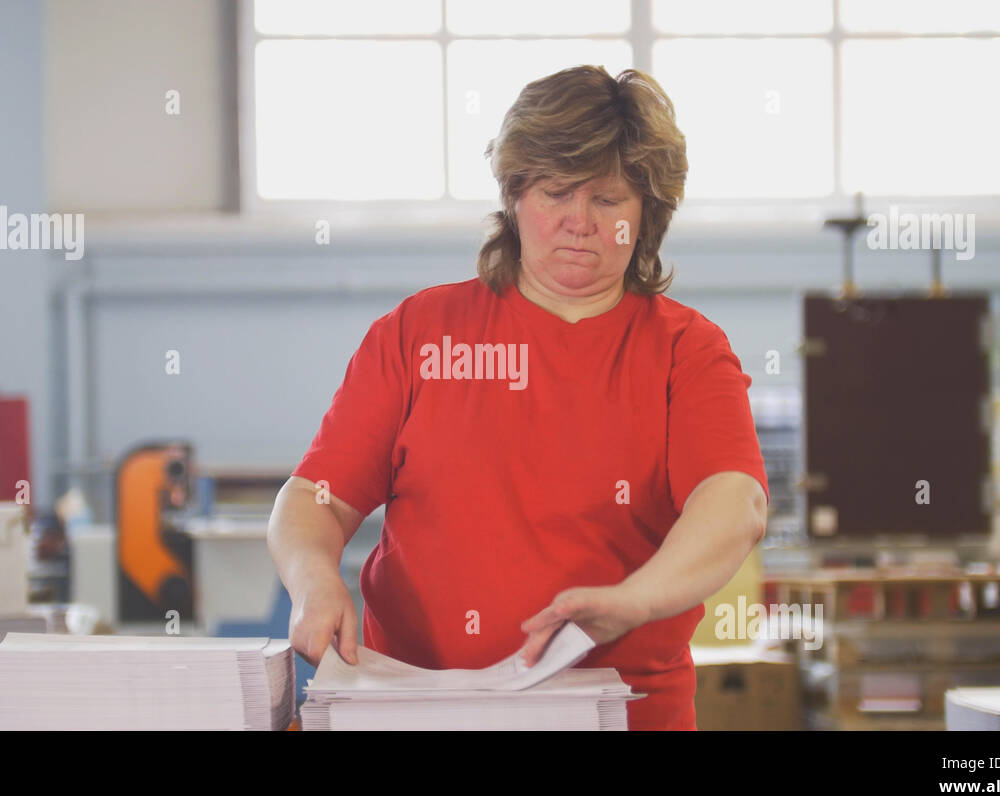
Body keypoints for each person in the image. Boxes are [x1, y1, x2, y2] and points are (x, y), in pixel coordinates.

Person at [268, 65, 769, 730]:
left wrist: (633, 600)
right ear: (512, 193)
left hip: (622, 712)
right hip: (417, 710)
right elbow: (311, 498)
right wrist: (313, 581)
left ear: (648, 213)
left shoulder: (686, 351)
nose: (578, 222)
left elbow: (734, 502)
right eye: (555, 192)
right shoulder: (420, 335)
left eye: (608, 201)